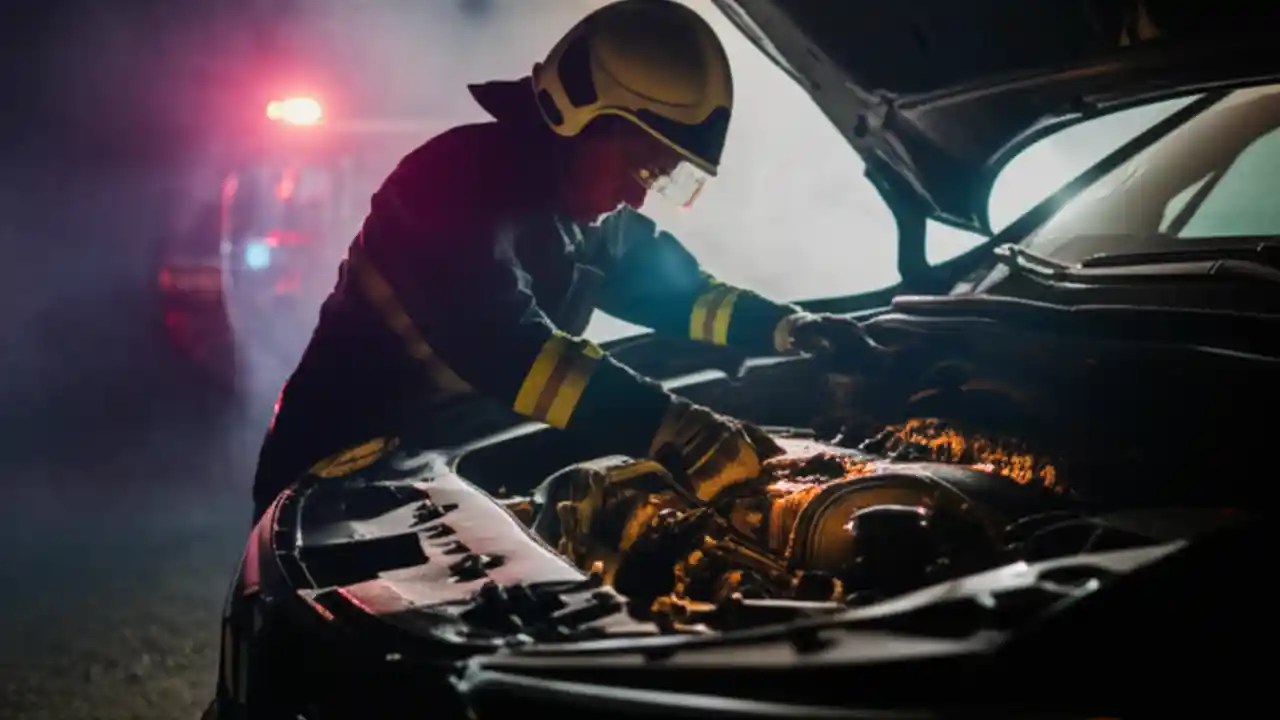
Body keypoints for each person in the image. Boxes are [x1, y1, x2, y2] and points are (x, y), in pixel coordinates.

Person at [250, 0, 883, 522]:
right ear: (578, 114)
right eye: (640, 165)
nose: (639, 194)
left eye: (659, 177)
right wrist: (671, 423)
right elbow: (511, 349)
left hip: (445, 478)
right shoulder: (446, 183)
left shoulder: (587, 219)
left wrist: (791, 327)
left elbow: (684, 295)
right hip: (333, 492)